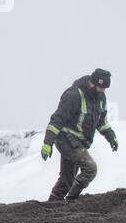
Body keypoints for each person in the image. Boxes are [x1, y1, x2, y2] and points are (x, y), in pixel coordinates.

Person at [41, 68, 118, 202]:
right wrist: (48, 143)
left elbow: (101, 122)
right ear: (92, 82)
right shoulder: (74, 95)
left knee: (67, 180)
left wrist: (111, 136)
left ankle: (51, 207)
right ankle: (71, 201)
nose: (102, 90)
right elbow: (57, 120)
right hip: (66, 140)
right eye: (100, 87)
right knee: (90, 168)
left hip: (79, 144)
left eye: (105, 88)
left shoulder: (100, 99)